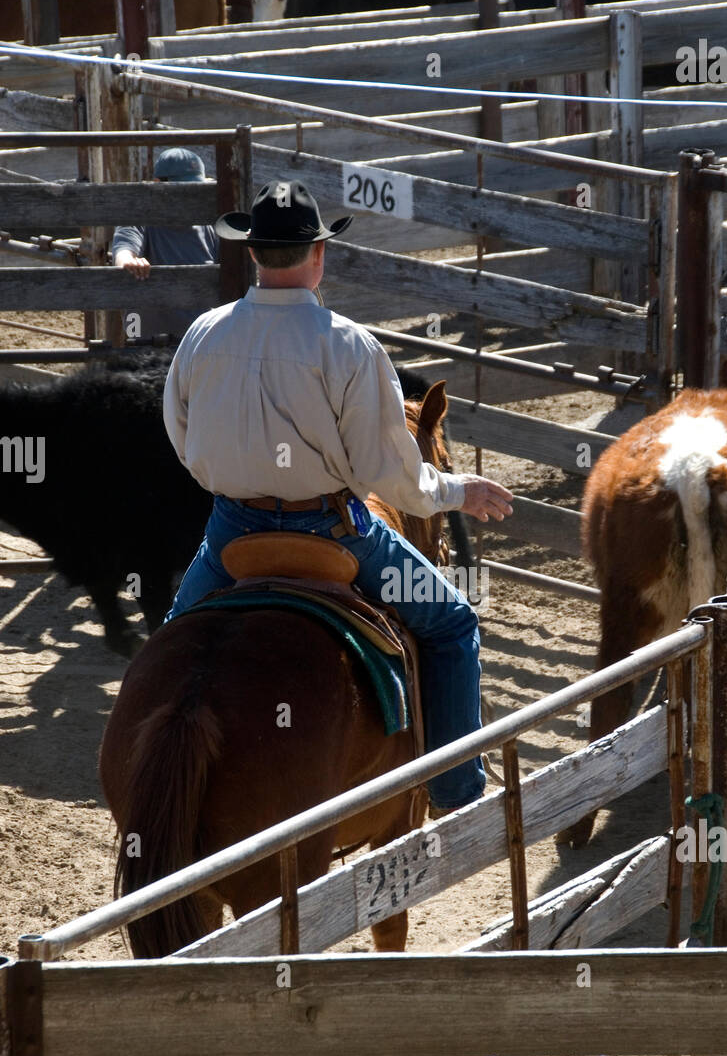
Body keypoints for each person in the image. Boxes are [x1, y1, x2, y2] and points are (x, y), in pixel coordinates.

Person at [162, 179, 513, 813]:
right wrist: (459, 491)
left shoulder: (202, 335)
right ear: (319, 254)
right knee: (452, 622)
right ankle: (458, 790)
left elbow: (184, 440)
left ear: (252, 253)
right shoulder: (350, 346)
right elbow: (392, 476)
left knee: (169, 647)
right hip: (332, 532)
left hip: (232, 535)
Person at [111, 147, 218, 342]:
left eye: (196, 190)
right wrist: (128, 261)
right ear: (158, 185)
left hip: (199, 340)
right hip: (151, 341)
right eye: (182, 190)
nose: (190, 197)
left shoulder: (208, 224)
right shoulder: (140, 217)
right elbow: (123, 248)